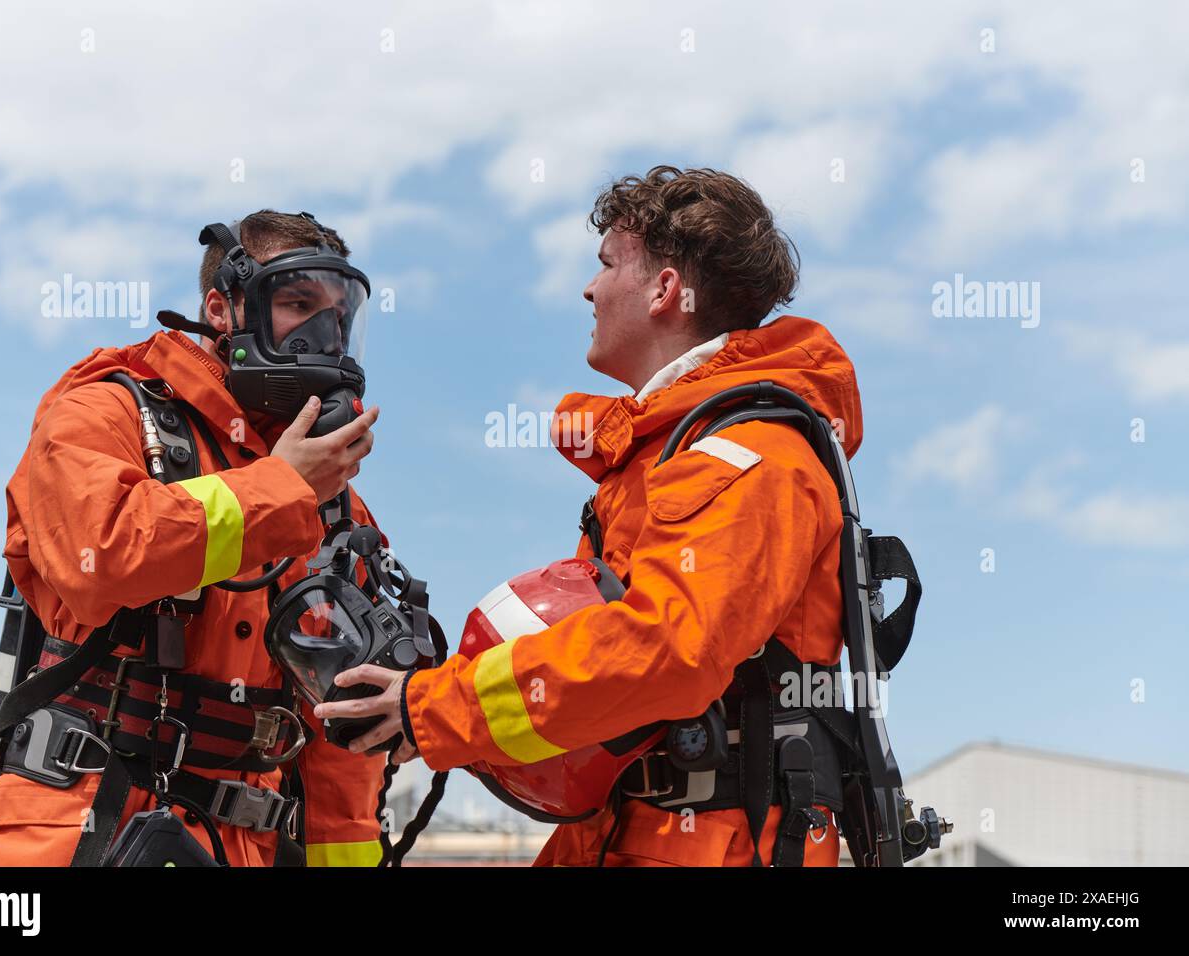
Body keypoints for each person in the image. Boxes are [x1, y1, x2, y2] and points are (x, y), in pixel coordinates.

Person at [319, 166, 861, 866]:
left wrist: (432, 711)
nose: (588, 288)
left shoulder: (753, 454)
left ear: (667, 290)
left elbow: (670, 651)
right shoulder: (676, 452)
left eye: (606, 266)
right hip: (630, 836)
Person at [0, 210, 393, 867]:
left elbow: (346, 733)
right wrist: (284, 489)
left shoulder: (331, 501)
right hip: (72, 829)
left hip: (243, 847)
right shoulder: (101, 412)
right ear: (223, 308)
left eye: (338, 314)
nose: (323, 332)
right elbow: (102, 557)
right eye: (298, 303)